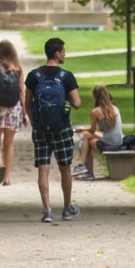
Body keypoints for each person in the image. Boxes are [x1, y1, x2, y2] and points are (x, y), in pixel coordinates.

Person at [24, 37, 81, 224]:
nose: (65, 54)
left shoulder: (34, 76)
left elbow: (27, 104)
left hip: (41, 130)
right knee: (65, 168)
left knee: (43, 169)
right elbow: (77, 103)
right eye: (63, 51)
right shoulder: (67, 76)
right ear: (57, 54)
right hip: (61, 128)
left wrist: (35, 123)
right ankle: (67, 209)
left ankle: (47, 211)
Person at [0, 39, 27, 185]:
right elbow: (22, 92)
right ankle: (7, 178)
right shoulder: (18, 68)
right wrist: (25, 113)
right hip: (13, 109)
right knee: (9, 144)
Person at [72, 85, 123, 180]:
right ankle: (84, 168)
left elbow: (92, 130)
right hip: (119, 141)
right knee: (87, 137)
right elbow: (106, 131)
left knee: (87, 139)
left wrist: (82, 130)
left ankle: (83, 167)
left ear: (95, 97)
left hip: (109, 145)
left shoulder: (96, 111)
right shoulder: (115, 108)